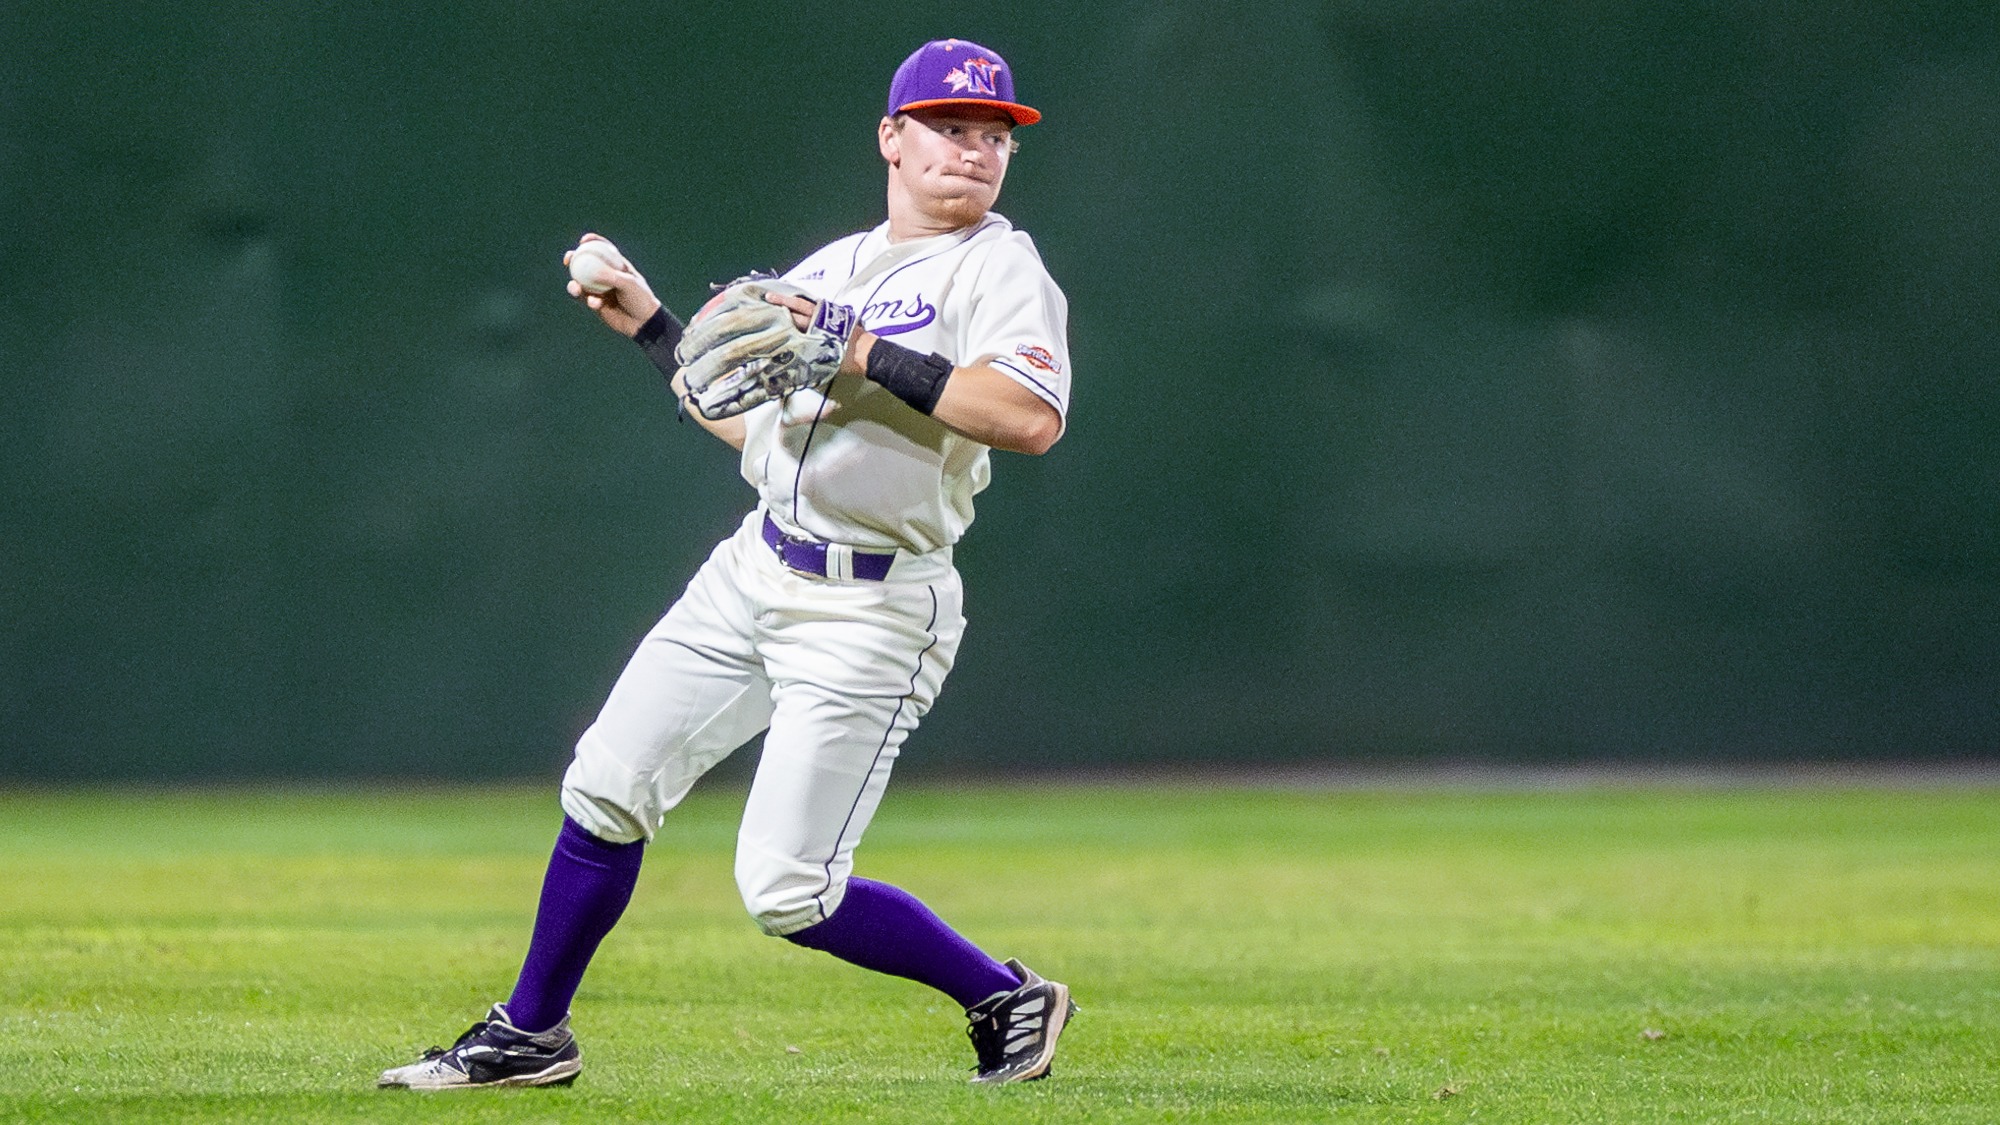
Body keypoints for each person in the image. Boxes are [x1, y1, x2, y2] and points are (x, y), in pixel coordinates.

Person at [378, 38, 1074, 1090]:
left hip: (873, 609)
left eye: (990, 136)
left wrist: (856, 352)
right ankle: (529, 1035)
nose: (972, 151)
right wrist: (652, 324)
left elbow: (1026, 419)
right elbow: (749, 417)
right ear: (891, 138)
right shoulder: (833, 268)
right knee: (606, 785)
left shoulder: (999, 268)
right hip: (752, 574)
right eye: (947, 128)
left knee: (786, 890)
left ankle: (1002, 996)